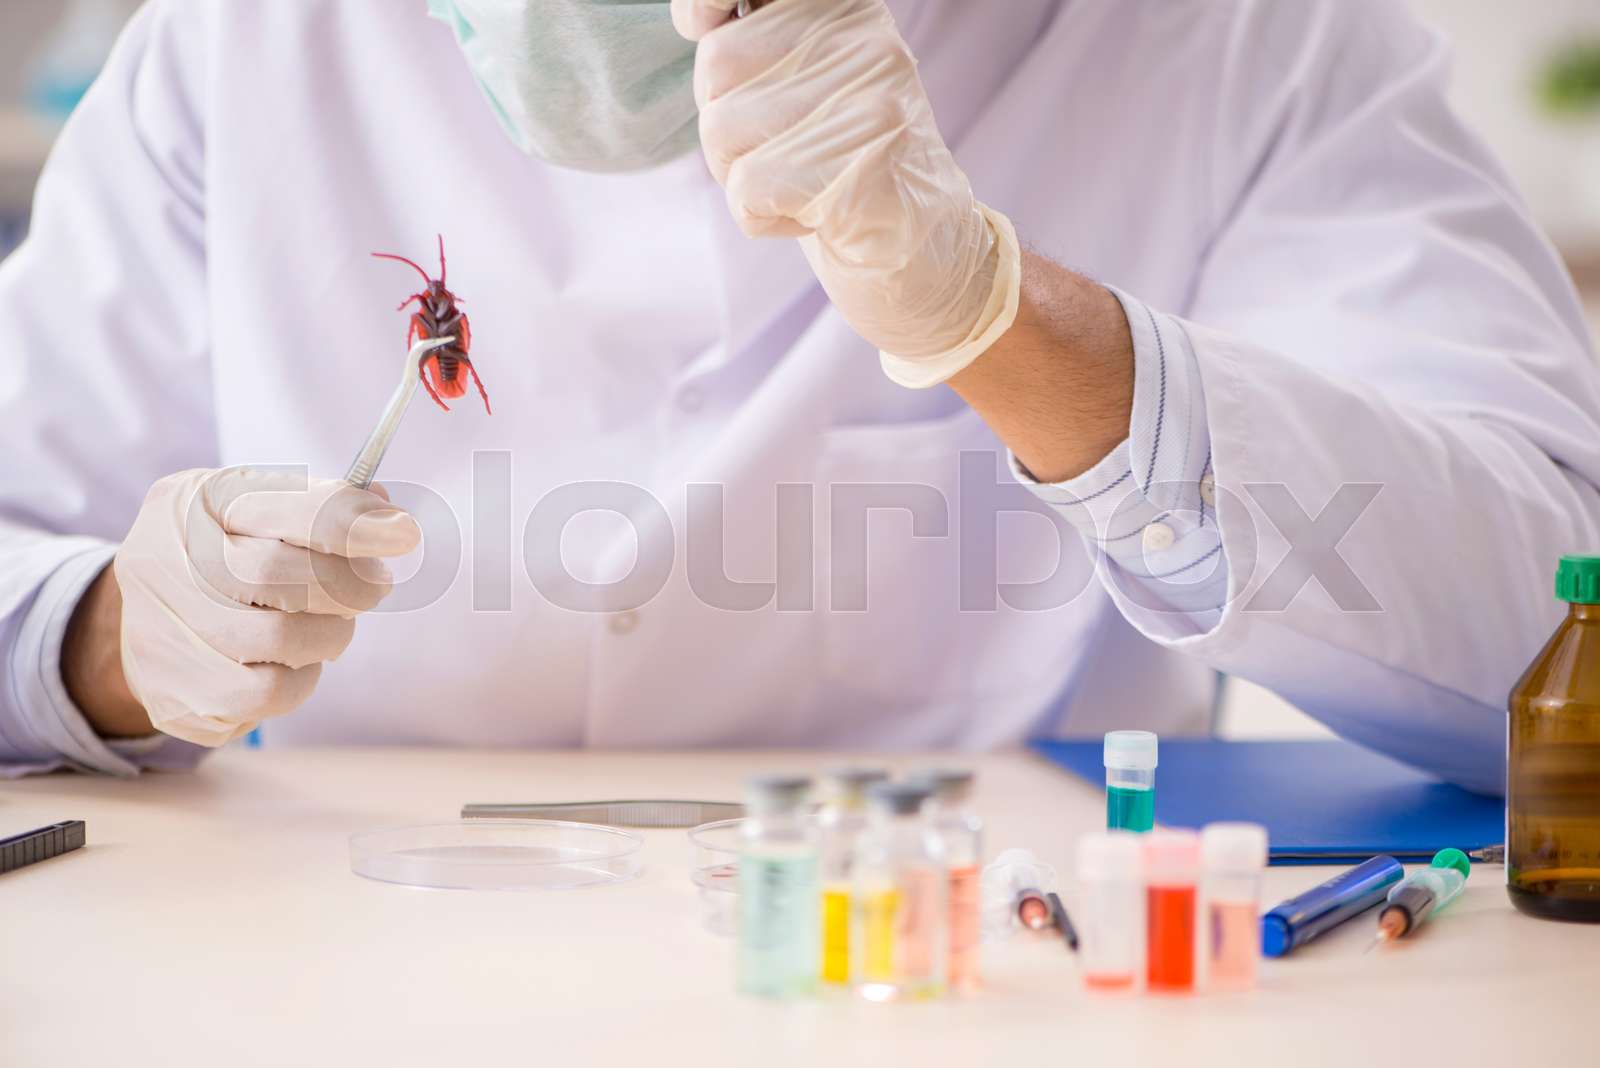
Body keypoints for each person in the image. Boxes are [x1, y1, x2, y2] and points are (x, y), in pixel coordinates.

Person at [1, 0, 1595, 794]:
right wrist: (117, 637)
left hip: (975, 984)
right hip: (326, 969)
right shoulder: (251, 43)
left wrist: (1008, 327)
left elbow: (1551, 644)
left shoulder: (1237, 42)